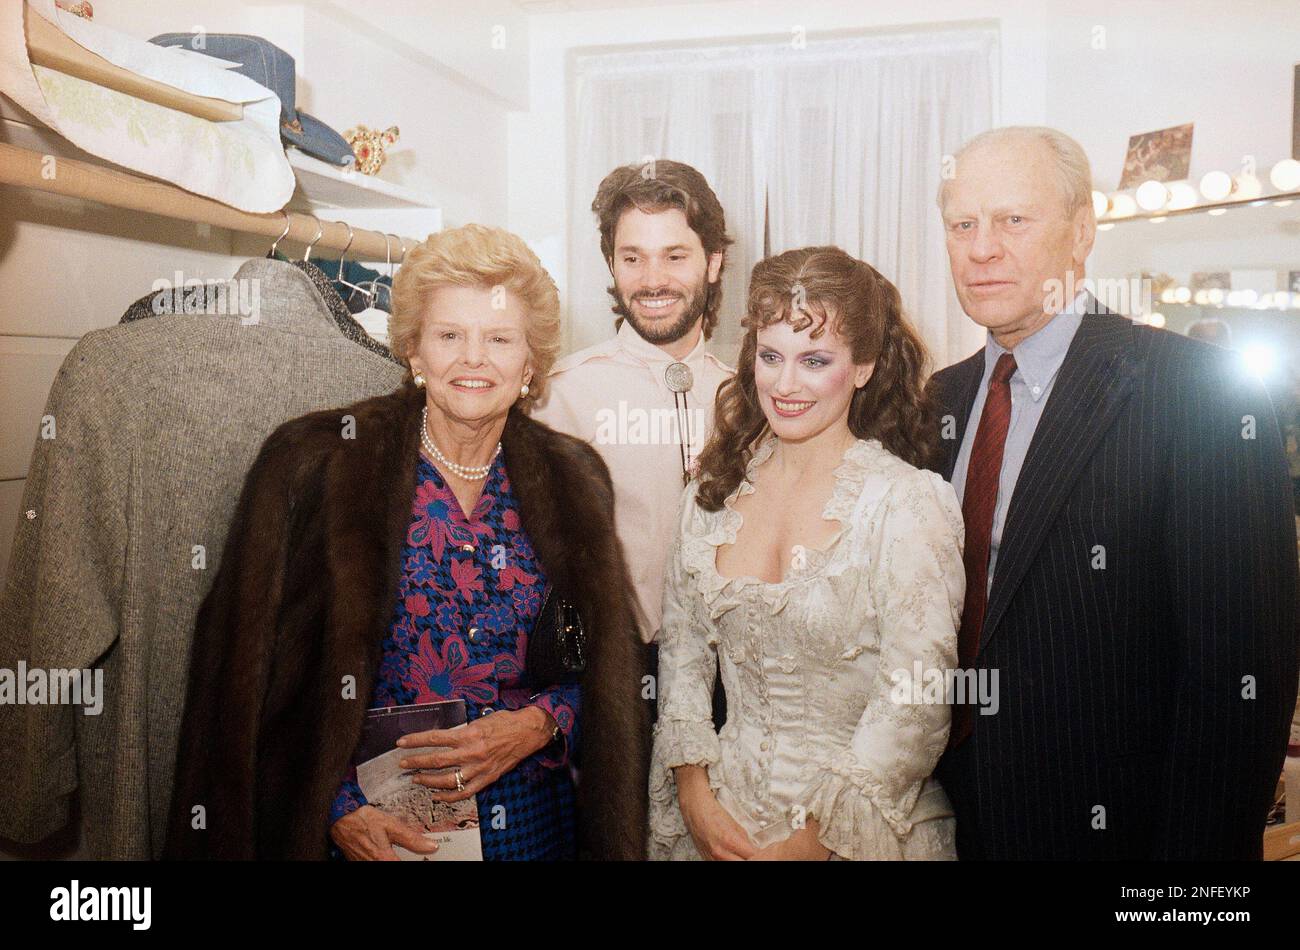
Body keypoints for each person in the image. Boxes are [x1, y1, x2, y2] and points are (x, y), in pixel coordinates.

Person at [165, 224, 649, 861]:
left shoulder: (575, 481)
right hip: (378, 838)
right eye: (450, 336)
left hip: (535, 831)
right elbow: (249, 675)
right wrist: (334, 810)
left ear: (530, 363)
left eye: (499, 339)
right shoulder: (318, 466)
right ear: (415, 352)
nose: (474, 359)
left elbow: (611, 673)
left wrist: (538, 723)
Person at [929, 125, 1299, 860]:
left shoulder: (1197, 393)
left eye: (1013, 219)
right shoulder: (938, 401)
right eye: (963, 224)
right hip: (945, 820)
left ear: (1082, 232)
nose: (982, 247)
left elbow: (1238, 677)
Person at [649, 246, 964, 860]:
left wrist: (809, 844)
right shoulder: (712, 492)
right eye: (771, 356)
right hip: (718, 828)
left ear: (865, 366)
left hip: (861, 833)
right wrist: (693, 793)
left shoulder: (906, 502)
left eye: (815, 360)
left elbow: (915, 698)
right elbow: (682, 658)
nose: (785, 385)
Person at [531, 159, 735, 647]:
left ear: (712, 263)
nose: (652, 280)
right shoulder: (558, 397)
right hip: (613, 685)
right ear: (611, 265)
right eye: (633, 258)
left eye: (674, 256)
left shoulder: (754, 396)